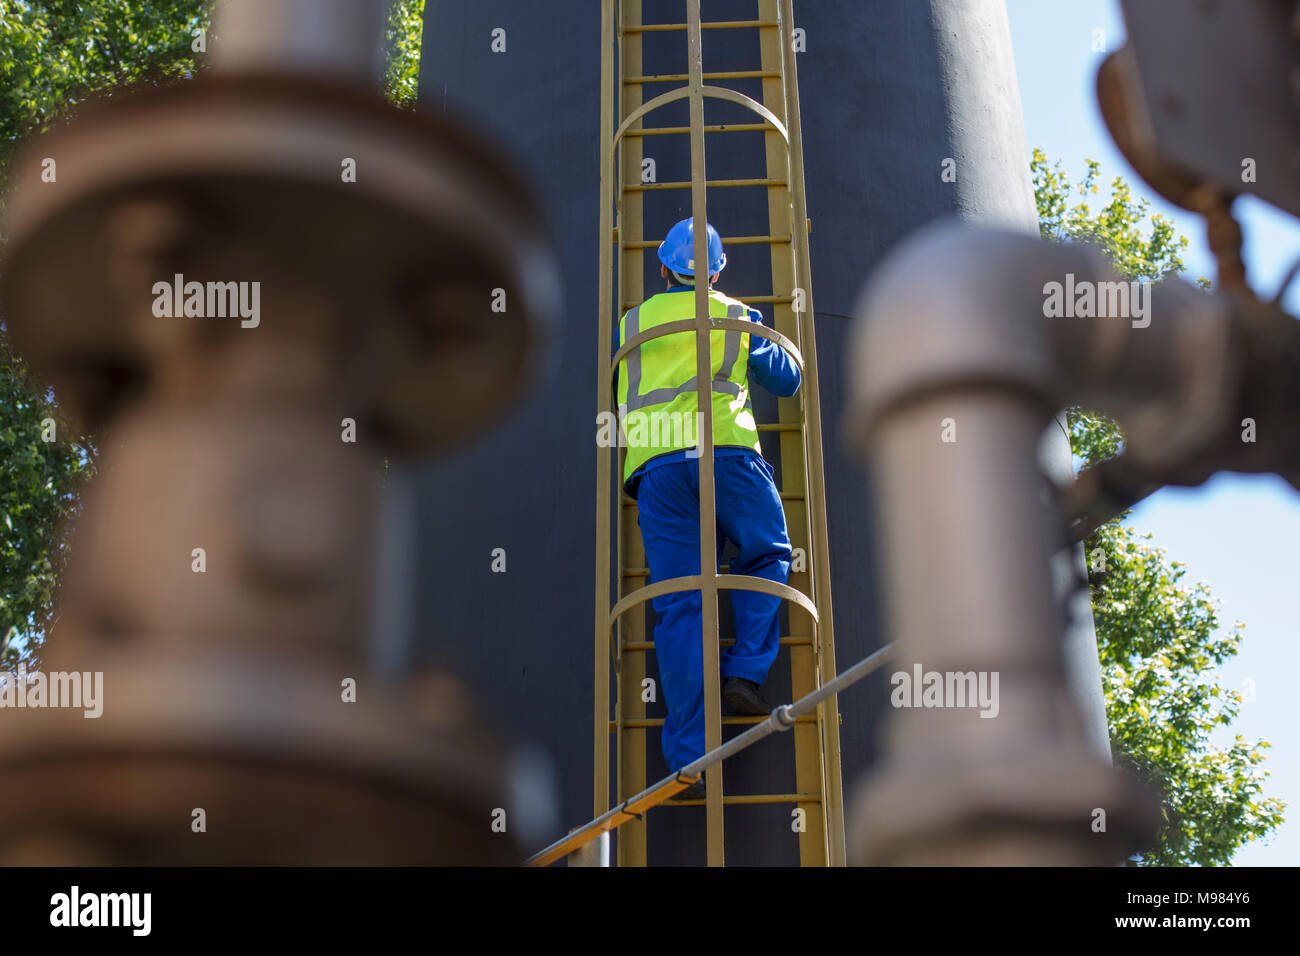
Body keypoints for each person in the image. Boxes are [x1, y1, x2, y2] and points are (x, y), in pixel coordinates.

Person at [613, 216, 801, 798]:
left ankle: (689, 756)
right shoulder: (738, 316)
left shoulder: (632, 322)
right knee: (768, 553)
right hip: (728, 456)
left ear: (663, 266)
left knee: (680, 605)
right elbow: (788, 381)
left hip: (659, 470)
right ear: (718, 271)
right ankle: (744, 672)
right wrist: (760, 331)